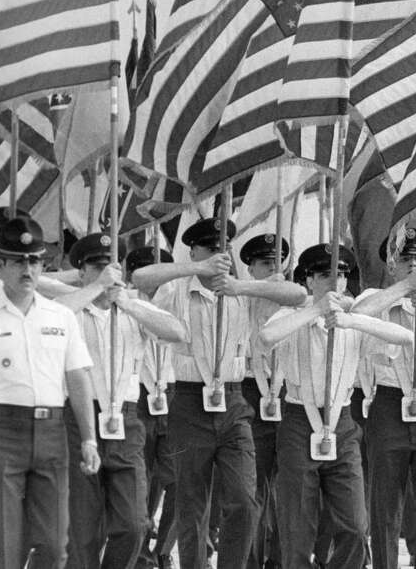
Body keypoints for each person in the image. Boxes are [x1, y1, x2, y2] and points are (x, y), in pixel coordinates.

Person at [132, 217, 307, 569]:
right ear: (194, 251)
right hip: (188, 401)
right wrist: (197, 268)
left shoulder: (241, 292)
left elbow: (298, 295)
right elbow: (139, 279)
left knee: (244, 500)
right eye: (210, 249)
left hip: (233, 401)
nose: (218, 256)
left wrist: (240, 288)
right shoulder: (176, 289)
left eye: (222, 249)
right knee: (193, 502)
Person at [261, 243, 412, 568]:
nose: (336, 282)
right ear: (309, 280)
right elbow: (266, 337)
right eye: (325, 274)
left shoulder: (353, 320)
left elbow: (404, 337)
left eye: (342, 275)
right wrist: (316, 311)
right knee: (297, 527)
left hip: (341, 424)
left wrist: (352, 321)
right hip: (300, 421)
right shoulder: (293, 315)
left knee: (356, 526)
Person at [55, 233, 187, 569]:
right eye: (95, 266)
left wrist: (125, 301)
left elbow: (176, 332)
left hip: (126, 420)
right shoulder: (71, 307)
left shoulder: (131, 306)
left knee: (133, 523)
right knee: (83, 530)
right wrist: (94, 290)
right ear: (81, 272)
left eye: (109, 266)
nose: (104, 272)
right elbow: (49, 319)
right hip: (80, 418)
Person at [0, 217, 101, 568]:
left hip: (51, 431)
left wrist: (89, 439)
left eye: (35, 261)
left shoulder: (61, 316)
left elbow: (78, 377)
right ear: (0, 265)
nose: (28, 269)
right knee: (3, 544)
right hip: (0, 429)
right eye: (19, 261)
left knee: (53, 544)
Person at [349, 230, 416, 569]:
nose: (414, 265)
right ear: (392, 264)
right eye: (407, 259)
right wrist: (404, 287)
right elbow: (358, 312)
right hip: (389, 404)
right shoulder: (379, 295)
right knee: (386, 507)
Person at [240, 233, 290, 569]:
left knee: (288, 490)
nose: (272, 268)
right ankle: (251, 561)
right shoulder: (241, 301)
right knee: (253, 488)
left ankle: (282, 561)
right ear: (251, 269)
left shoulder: (294, 300)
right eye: (263, 263)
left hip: (288, 393)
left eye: (277, 262)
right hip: (250, 390)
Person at [127, 247, 179, 569]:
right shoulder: (128, 303)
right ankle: (142, 551)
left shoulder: (174, 300)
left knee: (178, 480)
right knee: (142, 480)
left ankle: (164, 547)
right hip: (139, 394)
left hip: (169, 393)